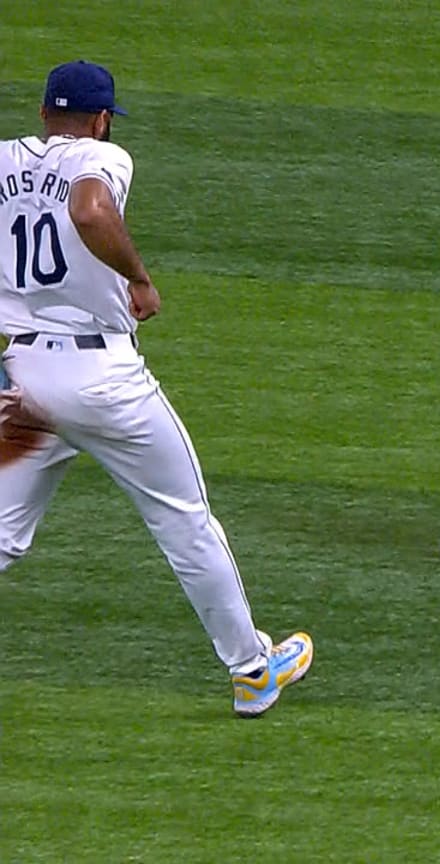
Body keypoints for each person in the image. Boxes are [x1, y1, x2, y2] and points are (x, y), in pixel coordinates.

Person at [0, 60, 313, 716]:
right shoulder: (102, 156)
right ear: (102, 118)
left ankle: (254, 666)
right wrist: (138, 277)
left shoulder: (2, 162)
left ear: (41, 113)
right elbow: (88, 210)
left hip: (24, 378)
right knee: (183, 520)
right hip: (104, 379)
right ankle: (253, 672)